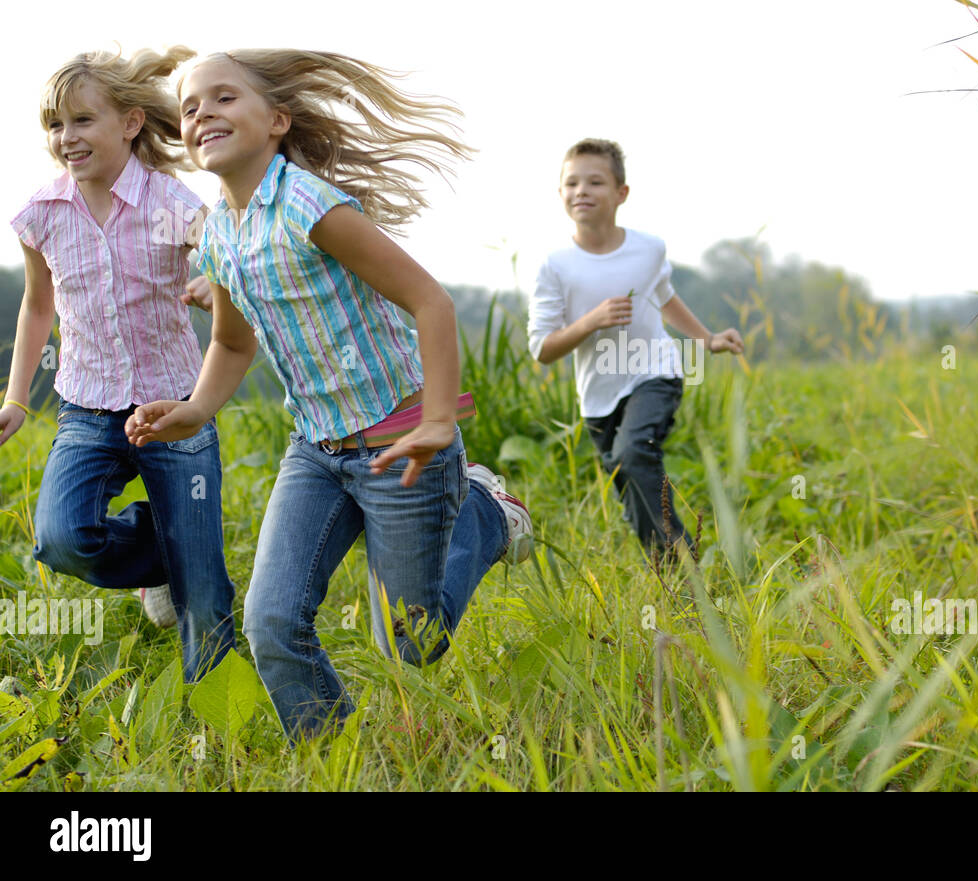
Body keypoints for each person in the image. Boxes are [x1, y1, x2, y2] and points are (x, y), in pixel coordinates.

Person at [124, 50, 532, 741]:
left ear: (277, 120)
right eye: (190, 106)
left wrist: (437, 419)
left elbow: (430, 301)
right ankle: (332, 754)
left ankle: (486, 513)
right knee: (271, 621)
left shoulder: (311, 204)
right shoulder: (219, 232)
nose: (202, 115)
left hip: (401, 440)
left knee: (410, 643)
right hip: (315, 449)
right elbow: (230, 344)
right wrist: (193, 409)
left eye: (224, 98)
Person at [0, 48, 235, 682]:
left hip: (176, 407)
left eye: (81, 121)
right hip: (87, 405)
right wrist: (17, 399)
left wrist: (212, 285)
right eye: (55, 125)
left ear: (130, 124)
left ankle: (219, 725)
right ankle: (169, 555)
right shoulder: (42, 216)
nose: (66, 139)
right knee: (62, 538)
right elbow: (36, 307)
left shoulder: (169, 201)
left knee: (203, 594)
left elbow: (221, 259)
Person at [527, 138, 744, 560]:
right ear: (560, 194)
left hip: (653, 371)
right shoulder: (554, 267)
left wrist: (708, 340)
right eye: (571, 183)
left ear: (621, 193)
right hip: (598, 395)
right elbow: (543, 349)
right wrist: (591, 320)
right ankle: (667, 570)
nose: (582, 191)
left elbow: (663, 297)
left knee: (633, 454)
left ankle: (684, 564)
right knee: (628, 483)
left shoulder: (648, 249)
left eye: (595, 182)